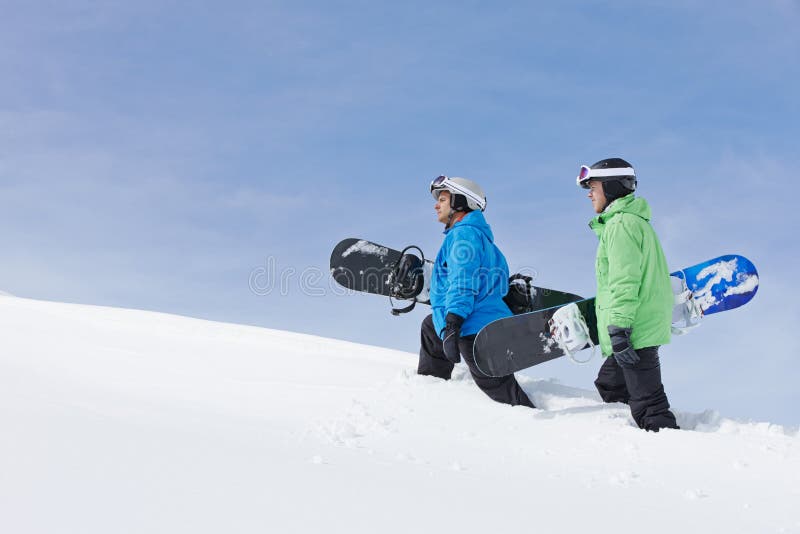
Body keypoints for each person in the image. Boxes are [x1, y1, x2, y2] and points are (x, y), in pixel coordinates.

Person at [577, 158, 679, 431]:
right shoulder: (630, 223)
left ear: (610, 188)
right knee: (610, 383)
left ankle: (668, 447)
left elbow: (625, 280)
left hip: (634, 330)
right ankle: (628, 437)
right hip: (637, 325)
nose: (589, 194)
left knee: (650, 405)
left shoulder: (621, 225)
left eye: (593, 186)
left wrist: (620, 329)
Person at [418, 175, 534, 408]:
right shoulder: (484, 241)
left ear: (460, 202)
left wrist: (453, 322)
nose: (436, 205)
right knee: (431, 327)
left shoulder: (463, 235)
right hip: (481, 324)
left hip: (475, 331)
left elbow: (463, 280)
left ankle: (539, 425)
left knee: (501, 395)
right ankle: (431, 394)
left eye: (442, 199)